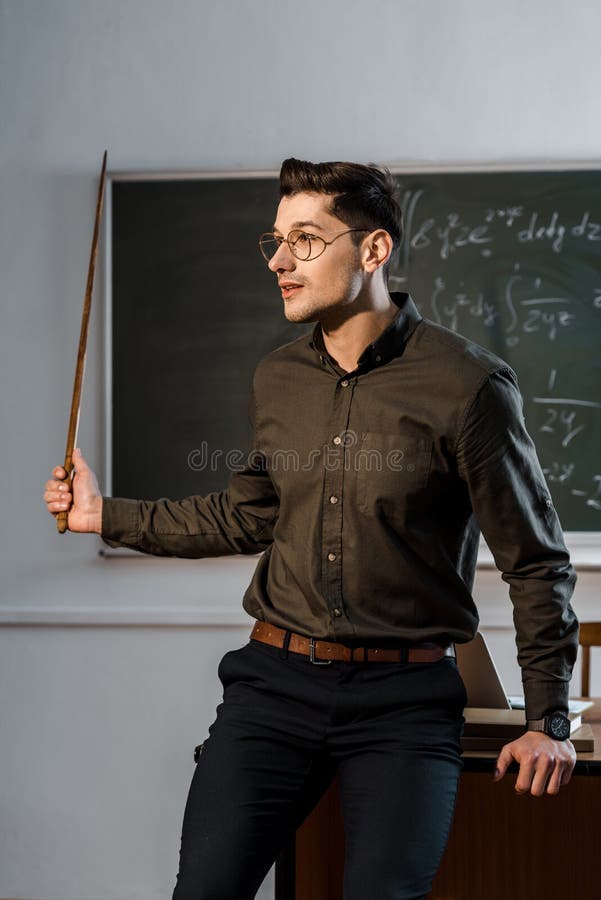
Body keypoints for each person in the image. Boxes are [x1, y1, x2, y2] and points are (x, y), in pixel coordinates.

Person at [44, 158, 579, 900]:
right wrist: (107, 517)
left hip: (405, 701)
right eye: (274, 239)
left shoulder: (467, 386)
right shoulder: (278, 377)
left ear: (372, 251)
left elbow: (535, 561)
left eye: (303, 239)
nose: (277, 260)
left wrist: (546, 716)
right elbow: (247, 513)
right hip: (274, 687)